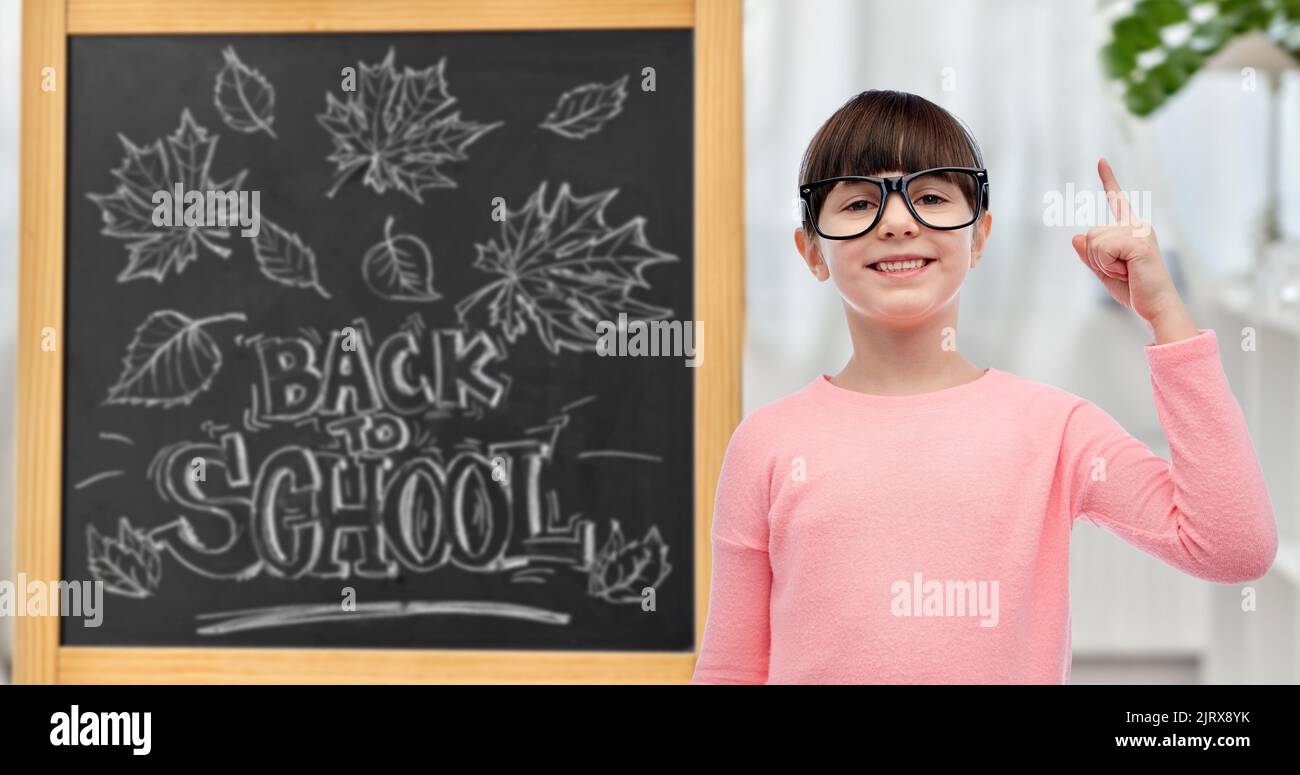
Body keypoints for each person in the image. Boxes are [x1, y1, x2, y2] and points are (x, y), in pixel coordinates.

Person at [691, 89, 1278, 684]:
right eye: (859, 202)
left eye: (931, 197)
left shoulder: (1056, 430)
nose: (896, 222)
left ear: (979, 236)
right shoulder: (765, 443)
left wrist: (1166, 317)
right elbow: (732, 667)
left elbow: (1232, 548)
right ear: (811, 250)